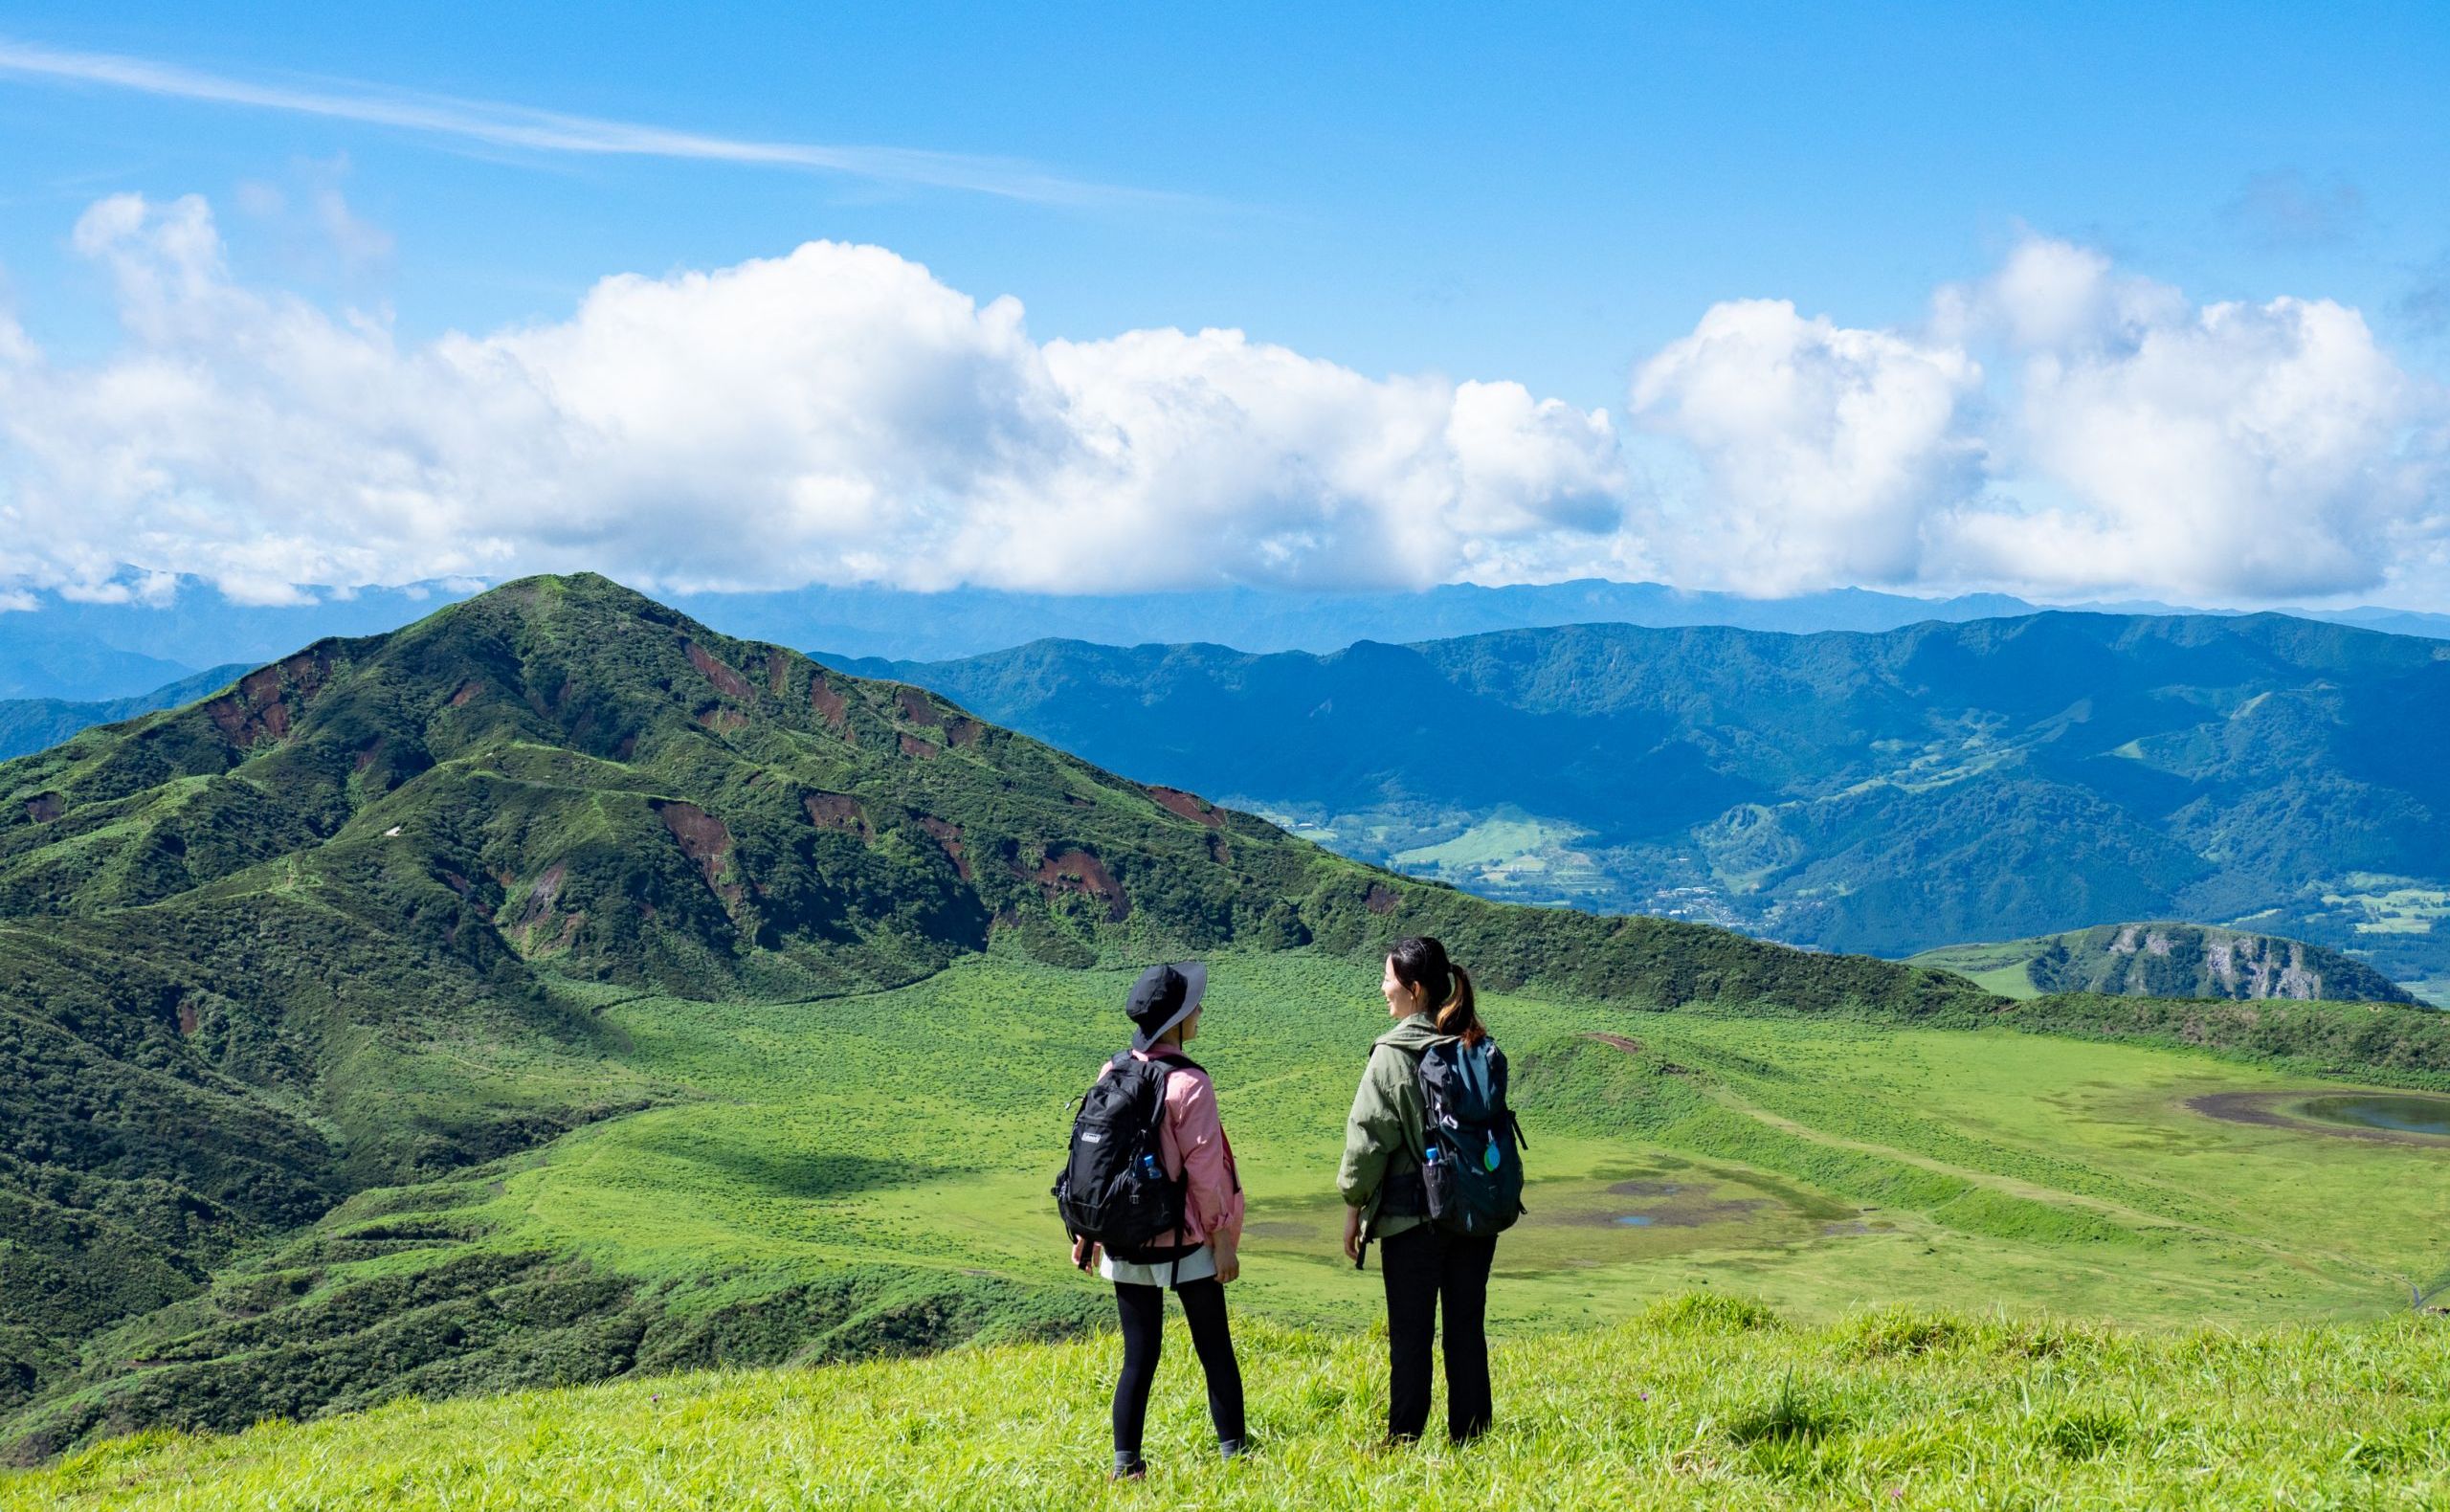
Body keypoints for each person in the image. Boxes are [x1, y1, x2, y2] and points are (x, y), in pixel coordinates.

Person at [1069, 961, 1248, 1480]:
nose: (1200, 1012)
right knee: (1214, 1349)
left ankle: (1125, 1465)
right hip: (1186, 1240)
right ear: (1177, 1019)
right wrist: (1223, 1241)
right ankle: (1235, 1459)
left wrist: (1088, 1232)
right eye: (1194, 1007)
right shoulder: (1191, 1084)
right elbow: (1207, 1176)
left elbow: (1092, 1163)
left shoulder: (1112, 1071)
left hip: (1124, 1236)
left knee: (1138, 1357)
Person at [1338, 936, 1498, 1445]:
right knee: (1465, 1329)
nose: (1382, 988)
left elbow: (1368, 1141)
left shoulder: (1391, 1055)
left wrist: (1353, 1209)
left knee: (1410, 1335)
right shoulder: (1475, 1045)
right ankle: (1472, 1437)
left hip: (1414, 1219)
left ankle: (1405, 1437)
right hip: (1474, 1213)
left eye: (1388, 979)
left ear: (1413, 989)